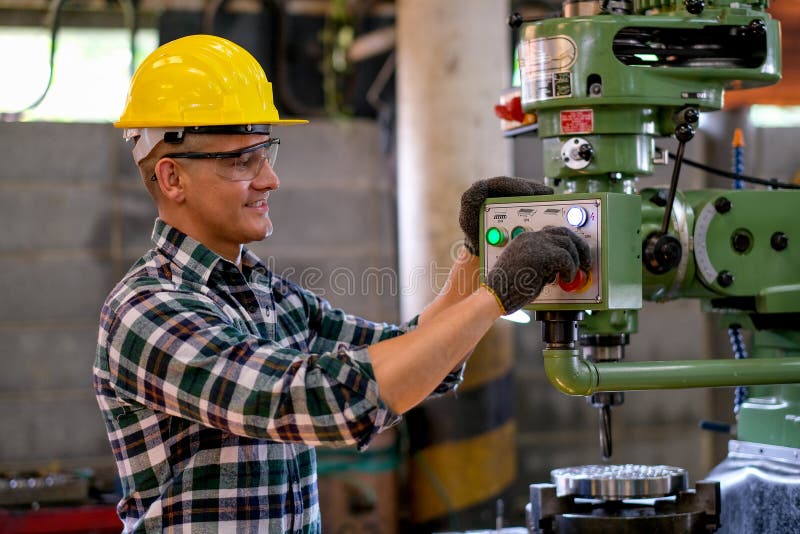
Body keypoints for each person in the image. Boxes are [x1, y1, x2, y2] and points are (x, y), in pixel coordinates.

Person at [93, 34, 591, 533]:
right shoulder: (147, 310)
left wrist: (476, 257)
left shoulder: (270, 294)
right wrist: (494, 296)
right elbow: (326, 400)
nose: (270, 179)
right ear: (172, 177)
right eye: (242, 161)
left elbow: (412, 356)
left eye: (266, 153)